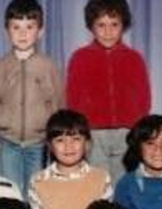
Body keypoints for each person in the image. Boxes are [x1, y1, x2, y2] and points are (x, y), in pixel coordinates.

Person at [65, 0, 149, 182]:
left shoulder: (134, 59)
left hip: (127, 134)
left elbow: (144, 98)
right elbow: (73, 98)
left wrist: (137, 129)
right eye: (101, 25)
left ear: (123, 25)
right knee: (98, 184)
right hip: (94, 133)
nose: (108, 31)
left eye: (114, 25)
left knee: (124, 184)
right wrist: (82, 131)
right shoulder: (80, 58)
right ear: (91, 27)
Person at [0, 0, 64, 193]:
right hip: (7, 140)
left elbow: (58, 104)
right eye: (16, 27)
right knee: (10, 190)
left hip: (38, 141)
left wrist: (55, 136)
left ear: (40, 31)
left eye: (29, 27)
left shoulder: (48, 66)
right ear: (6, 31)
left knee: (35, 190)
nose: (22, 33)